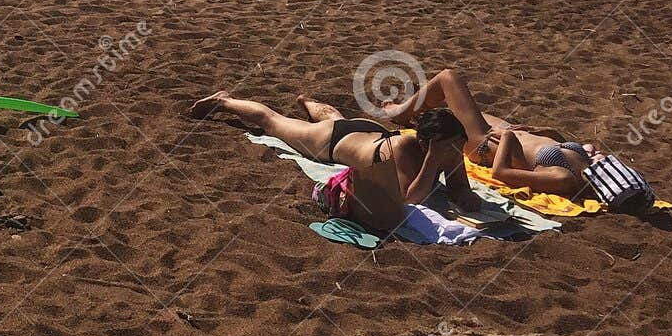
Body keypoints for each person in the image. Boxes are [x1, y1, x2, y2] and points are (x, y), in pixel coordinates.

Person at [187, 93, 477, 233]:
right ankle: (224, 101)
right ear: (428, 144)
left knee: (337, 118)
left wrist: (452, 169)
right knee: (272, 122)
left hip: (364, 131)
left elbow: (462, 194)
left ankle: (308, 102)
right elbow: (407, 199)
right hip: (332, 142)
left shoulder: (446, 148)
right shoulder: (401, 147)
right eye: (448, 148)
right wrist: (434, 162)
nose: (455, 151)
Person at [381, 67, 604, 200]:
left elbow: (502, 173)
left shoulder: (565, 179)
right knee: (453, 106)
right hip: (505, 132)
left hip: (486, 143)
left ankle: (401, 113)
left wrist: (507, 139)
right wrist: (549, 133)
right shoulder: (588, 162)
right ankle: (412, 112)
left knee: (448, 79)